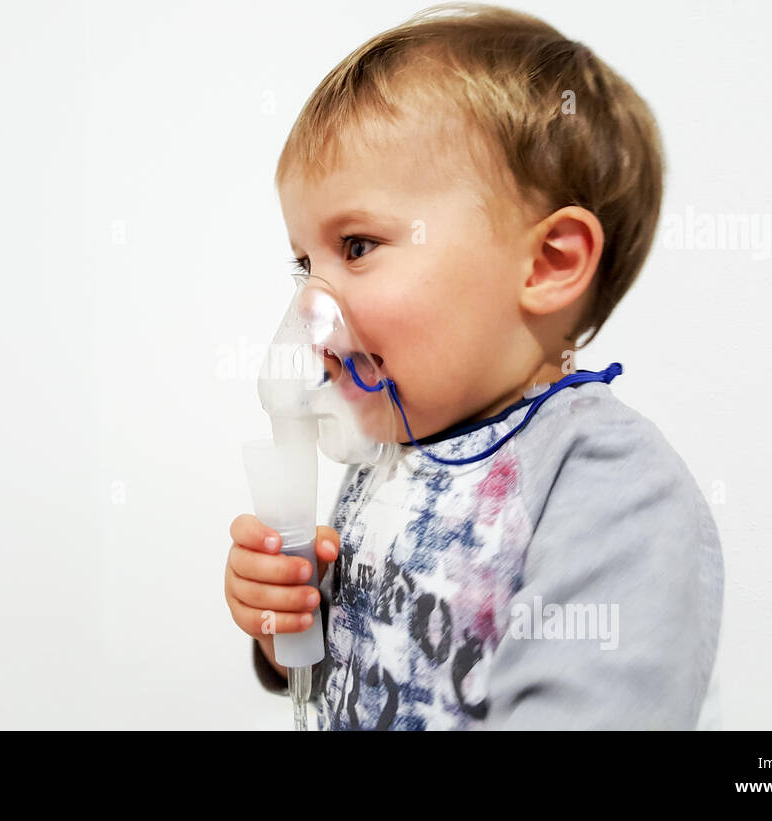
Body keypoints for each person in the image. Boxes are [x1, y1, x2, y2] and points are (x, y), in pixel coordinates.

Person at [223, 3, 723, 730]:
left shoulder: (606, 478)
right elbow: (360, 661)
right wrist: (289, 626)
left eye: (357, 246)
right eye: (303, 264)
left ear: (549, 264)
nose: (310, 309)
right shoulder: (390, 451)